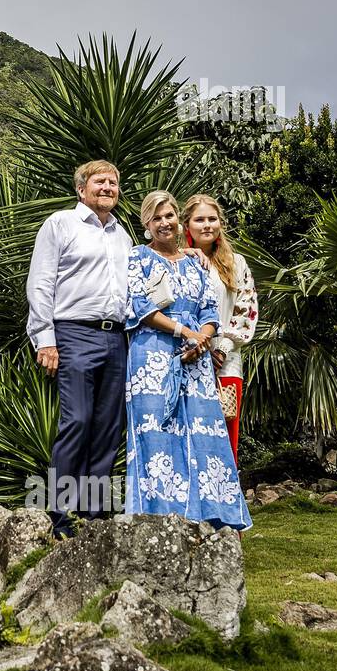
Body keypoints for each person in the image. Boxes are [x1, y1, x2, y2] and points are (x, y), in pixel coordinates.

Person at [123, 191, 251, 532]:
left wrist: (203, 338)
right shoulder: (138, 258)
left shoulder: (196, 262)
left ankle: (211, 518)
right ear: (146, 225)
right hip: (152, 356)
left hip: (197, 358)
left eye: (170, 215)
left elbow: (211, 310)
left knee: (203, 433)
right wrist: (185, 332)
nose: (165, 222)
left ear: (179, 221)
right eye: (157, 218)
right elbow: (140, 307)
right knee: (157, 434)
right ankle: (157, 520)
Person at [26, 160, 133, 538]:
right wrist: (45, 339)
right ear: (81, 188)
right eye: (100, 181)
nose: (107, 187)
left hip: (117, 338)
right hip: (73, 333)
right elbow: (40, 282)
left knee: (108, 427)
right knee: (78, 421)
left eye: (113, 182)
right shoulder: (60, 224)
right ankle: (58, 516)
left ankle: (93, 517)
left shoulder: (124, 236)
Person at [181, 194, 258, 465]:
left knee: (226, 432)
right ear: (186, 224)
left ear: (220, 223)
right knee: (191, 432)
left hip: (224, 361)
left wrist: (223, 347)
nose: (206, 225)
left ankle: (226, 498)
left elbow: (245, 309)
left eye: (212, 219)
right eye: (199, 219)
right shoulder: (178, 260)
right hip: (187, 358)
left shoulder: (236, 263)